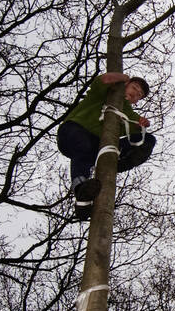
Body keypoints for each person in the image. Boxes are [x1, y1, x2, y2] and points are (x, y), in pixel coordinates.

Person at [57, 72, 155, 220]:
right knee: (84, 147)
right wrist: (122, 77)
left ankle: (85, 200)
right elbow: (105, 79)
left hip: (98, 145)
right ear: (125, 85)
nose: (136, 94)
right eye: (134, 88)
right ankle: (80, 187)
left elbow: (138, 129)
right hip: (75, 130)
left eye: (139, 95)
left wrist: (143, 124)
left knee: (147, 140)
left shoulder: (128, 113)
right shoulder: (104, 92)